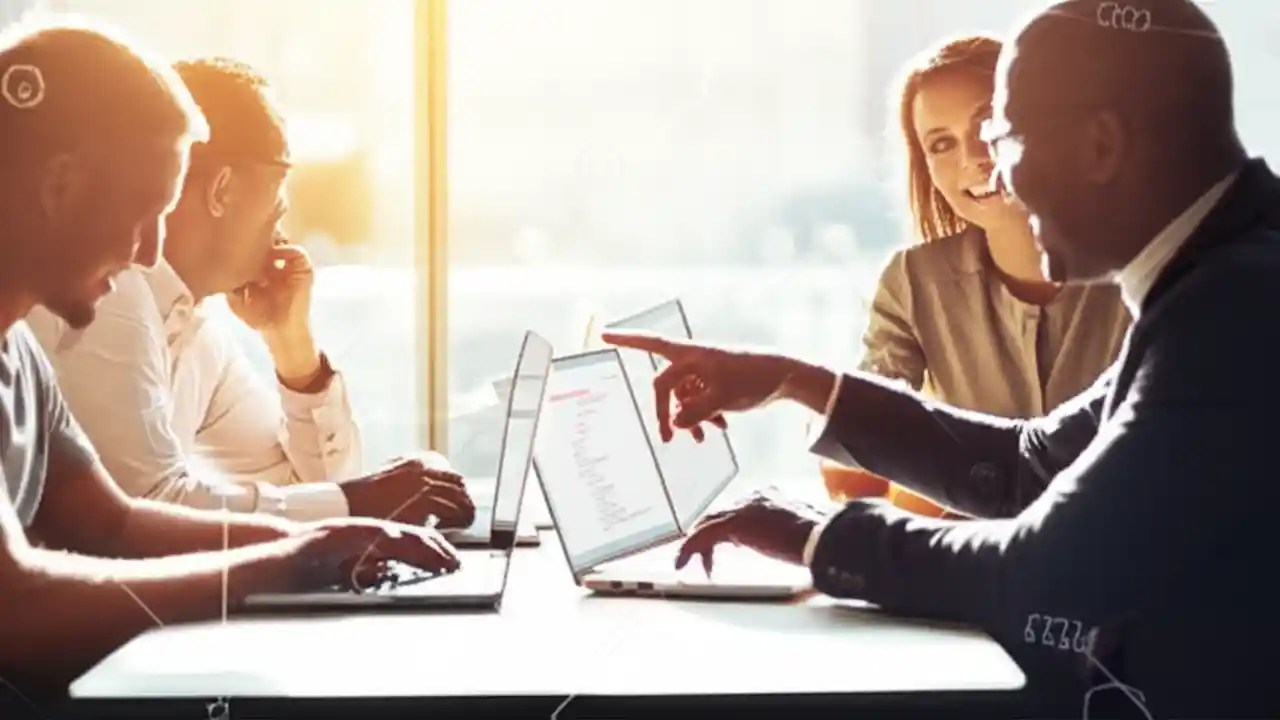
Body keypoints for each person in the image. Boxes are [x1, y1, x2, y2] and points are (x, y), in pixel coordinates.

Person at [605, 0, 1276, 715]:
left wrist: (816, 537)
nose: (996, 181)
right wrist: (787, 379)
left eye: (1004, 137)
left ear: (1102, 145)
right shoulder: (1221, 274)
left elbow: (1047, 572)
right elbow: (1027, 464)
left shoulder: (1234, 306)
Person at [0, 16, 459, 706]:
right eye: (144, 210)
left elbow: (112, 522)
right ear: (61, 186)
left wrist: (322, 545)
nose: (151, 253)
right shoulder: (94, 314)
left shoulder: (23, 352)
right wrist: (279, 562)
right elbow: (18, 606)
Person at [26, 57, 475, 528]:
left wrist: (292, 349)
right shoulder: (109, 295)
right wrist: (360, 501)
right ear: (222, 189)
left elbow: (314, 492)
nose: (281, 237)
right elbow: (147, 510)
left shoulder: (194, 333)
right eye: (275, 210)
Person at [820, 34, 1130, 517]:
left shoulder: (1147, 268)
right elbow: (857, 443)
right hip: (974, 570)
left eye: (989, 123)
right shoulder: (911, 282)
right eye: (941, 144)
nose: (972, 157)